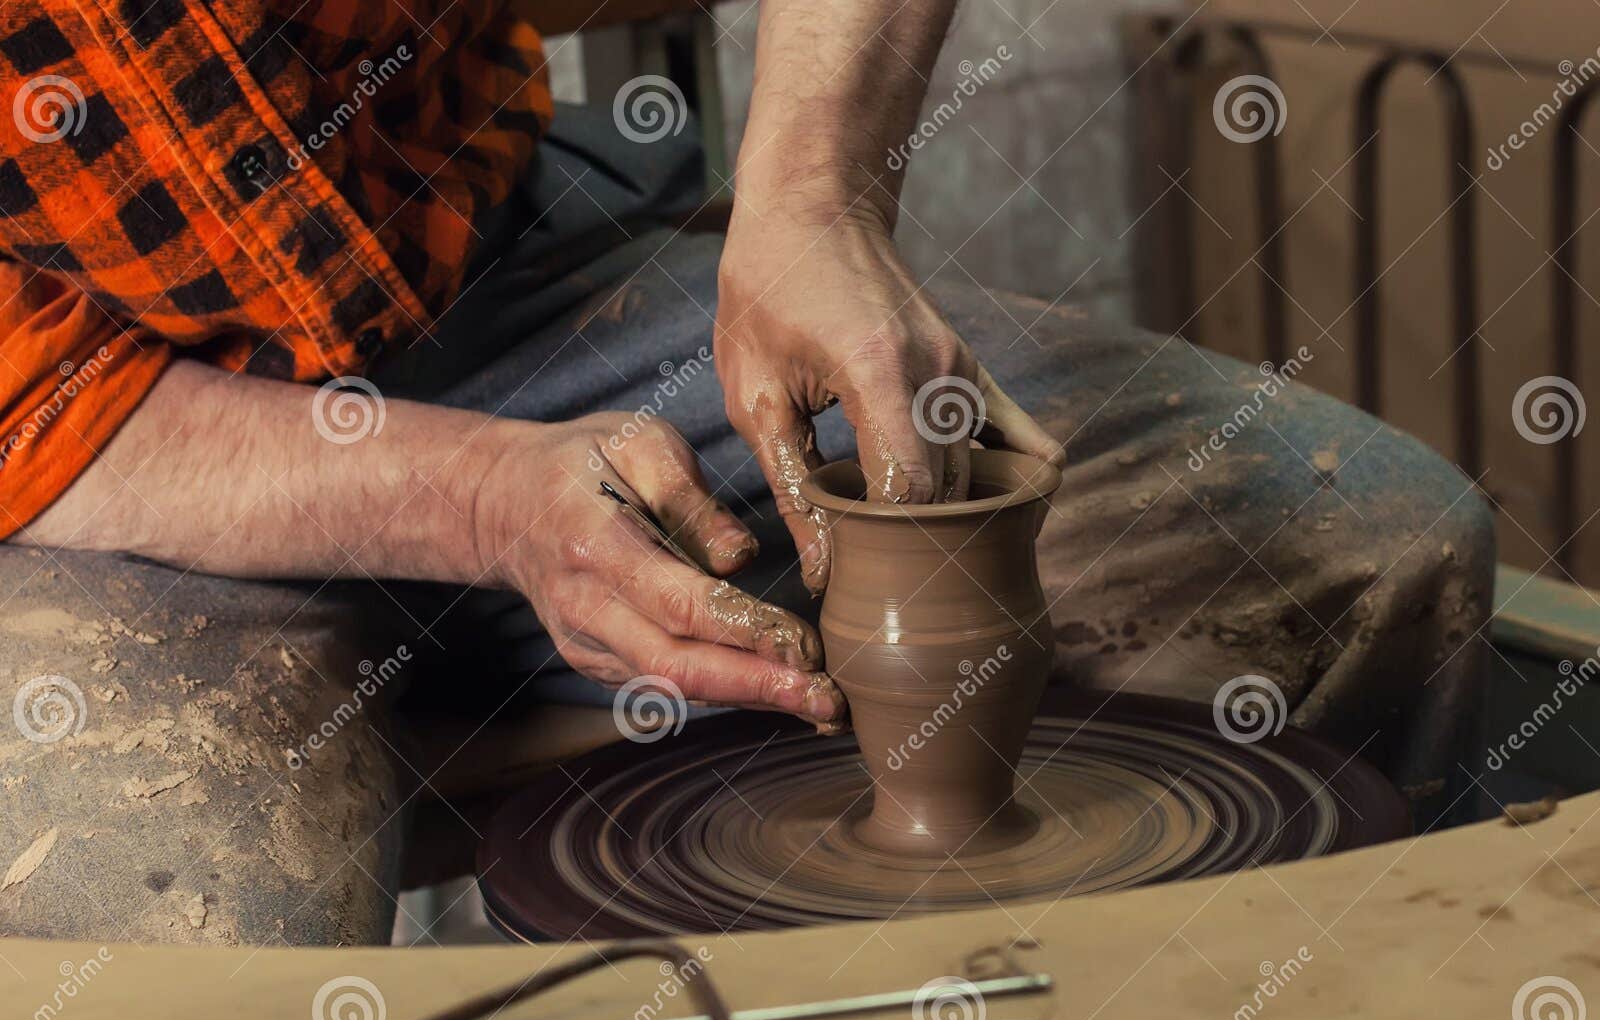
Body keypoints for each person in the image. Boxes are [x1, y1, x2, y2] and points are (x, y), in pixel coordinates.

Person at [0, 1, 1492, 945]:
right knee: (204, 913)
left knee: (1371, 553)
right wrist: (476, 498)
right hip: (96, 466)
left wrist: (813, 190)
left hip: (492, 273)